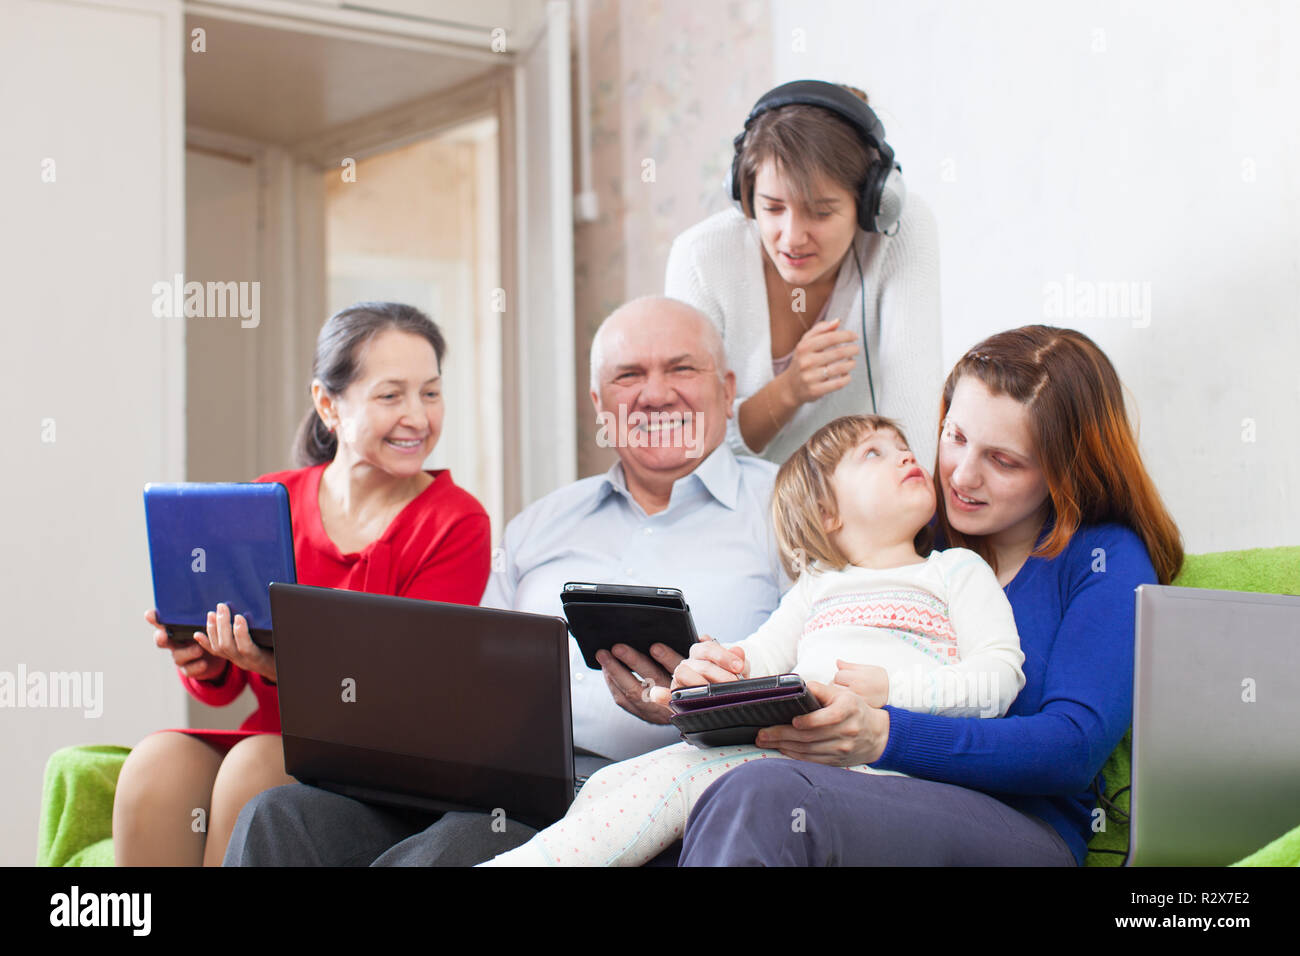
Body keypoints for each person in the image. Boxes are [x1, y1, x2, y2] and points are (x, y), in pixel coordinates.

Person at [223, 296, 788, 866]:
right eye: (629, 375)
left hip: (648, 789)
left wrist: (700, 708)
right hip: (494, 780)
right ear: (599, 401)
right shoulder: (540, 525)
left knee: (458, 848)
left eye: (682, 368)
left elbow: (815, 668)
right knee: (278, 818)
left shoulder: (784, 511)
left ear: (727, 387)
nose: (656, 393)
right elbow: (465, 669)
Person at [677, 325, 1185, 866]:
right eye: (955, 436)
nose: (962, 476)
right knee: (696, 810)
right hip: (867, 793)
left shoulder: (1104, 558)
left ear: (1066, 468)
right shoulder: (911, 535)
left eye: (1004, 460)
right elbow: (796, 639)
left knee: (766, 798)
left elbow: (1072, 749)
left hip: (1023, 829)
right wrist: (709, 683)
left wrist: (887, 735)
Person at [480, 414, 1025, 866]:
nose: (907, 456)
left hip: (887, 770)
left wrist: (889, 689)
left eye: (903, 447)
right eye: (874, 454)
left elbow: (999, 681)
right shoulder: (816, 588)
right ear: (826, 514)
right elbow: (758, 659)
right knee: (613, 783)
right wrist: (722, 664)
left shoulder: (954, 572)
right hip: (806, 764)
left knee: (680, 780)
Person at [112, 302, 490, 866]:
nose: (418, 416)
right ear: (327, 404)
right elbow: (224, 686)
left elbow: (402, 695)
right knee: (156, 761)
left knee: (256, 765)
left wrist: (277, 666)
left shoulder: (456, 523)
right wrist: (205, 655)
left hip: (379, 757)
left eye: (430, 393)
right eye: (391, 395)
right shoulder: (269, 499)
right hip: (270, 738)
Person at [665, 79, 942, 468]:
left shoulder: (899, 231)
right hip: (736, 511)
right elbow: (685, 443)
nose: (792, 239)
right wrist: (789, 389)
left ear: (871, 203)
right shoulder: (701, 257)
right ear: (744, 193)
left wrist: (909, 518)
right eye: (773, 208)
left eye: (821, 211)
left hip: (861, 506)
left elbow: (914, 404)